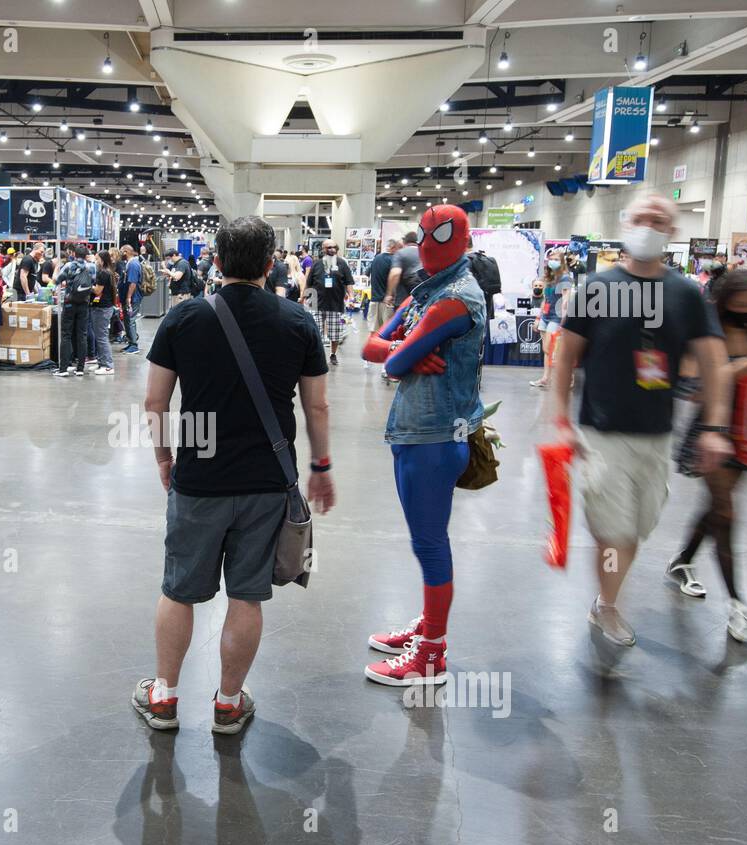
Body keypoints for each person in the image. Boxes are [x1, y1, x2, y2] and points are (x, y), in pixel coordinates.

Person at [135, 215, 335, 734]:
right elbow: (317, 408)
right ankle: (227, 704)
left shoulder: (184, 319)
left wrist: (164, 457)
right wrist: (320, 466)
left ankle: (164, 698)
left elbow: (156, 401)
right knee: (247, 594)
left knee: (179, 590)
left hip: (199, 476)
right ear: (271, 264)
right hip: (268, 479)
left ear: (216, 261)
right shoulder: (297, 323)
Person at [550, 193, 731, 648]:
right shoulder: (597, 287)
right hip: (601, 433)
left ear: (671, 232)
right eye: (641, 218)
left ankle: (606, 597)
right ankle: (607, 605)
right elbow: (566, 356)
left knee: (638, 528)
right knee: (614, 532)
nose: (649, 225)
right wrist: (559, 416)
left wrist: (715, 427)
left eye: (660, 220)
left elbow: (714, 362)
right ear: (626, 223)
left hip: (657, 434)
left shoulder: (687, 294)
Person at [360, 205, 485, 687]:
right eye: (425, 235)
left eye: (437, 235)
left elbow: (387, 362)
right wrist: (403, 353)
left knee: (430, 543)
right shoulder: (430, 292)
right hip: (421, 430)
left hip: (433, 436)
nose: (427, 245)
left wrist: (397, 355)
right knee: (427, 541)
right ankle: (428, 627)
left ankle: (431, 653)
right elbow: (374, 347)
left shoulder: (452, 299)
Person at [667, 270, 747, 644]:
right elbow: (693, 390)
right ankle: (737, 603)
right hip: (711, 433)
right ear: (725, 302)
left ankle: (682, 561)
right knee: (726, 514)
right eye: (741, 304)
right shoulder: (706, 332)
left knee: (716, 509)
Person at [306, 238, 354, 366]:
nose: (332, 249)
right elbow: (309, 283)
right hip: (316, 303)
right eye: (329, 247)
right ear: (323, 249)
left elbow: (349, 281)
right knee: (316, 332)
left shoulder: (342, 264)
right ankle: (318, 355)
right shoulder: (316, 264)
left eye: (334, 247)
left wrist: (352, 297)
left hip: (335, 303)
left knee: (335, 333)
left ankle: (333, 354)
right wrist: (303, 298)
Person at [530, 252, 574, 388]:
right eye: (551, 259)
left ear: (562, 262)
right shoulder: (548, 278)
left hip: (557, 316)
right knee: (547, 350)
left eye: (556, 259)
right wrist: (538, 317)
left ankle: (568, 377)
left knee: (553, 349)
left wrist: (564, 318)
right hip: (546, 315)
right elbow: (545, 299)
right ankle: (545, 378)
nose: (553, 261)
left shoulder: (565, 278)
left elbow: (566, 299)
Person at [54, 243, 96, 377]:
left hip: (69, 303)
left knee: (66, 335)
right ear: (86, 255)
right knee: (82, 335)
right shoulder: (92, 267)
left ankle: (63, 369)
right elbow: (93, 283)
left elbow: (57, 280)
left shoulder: (68, 266)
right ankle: (80, 369)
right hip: (84, 303)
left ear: (74, 254)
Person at [89, 249, 117, 375]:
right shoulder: (108, 272)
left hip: (102, 308)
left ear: (102, 260)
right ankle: (101, 363)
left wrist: (87, 285)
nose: (96, 261)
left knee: (101, 337)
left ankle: (108, 365)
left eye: (97, 259)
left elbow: (97, 291)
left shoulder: (103, 273)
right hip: (104, 307)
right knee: (100, 336)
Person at [386, 231, 422, 313]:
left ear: (405, 242)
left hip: (403, 302)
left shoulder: (400, 254)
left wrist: (389, 294)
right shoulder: (425, 253)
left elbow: (395, 273)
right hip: (422, 302)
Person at [367, 239, 397, 330]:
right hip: (387, 302)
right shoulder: (393, 260)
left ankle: (371, 345)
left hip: (374, 299)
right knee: (387, 330)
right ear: (393, 248)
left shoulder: (376, 258)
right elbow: (395, 278)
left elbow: (368, 274)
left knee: (373, 330)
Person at [121, 244, 143, 353]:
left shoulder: (133, 264)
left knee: (131, 320)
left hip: (133, 298)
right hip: (131, 297)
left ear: (126, 252)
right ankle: (130, 343)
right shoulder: (130, 263)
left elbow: (133, 283)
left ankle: (134, 345)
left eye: (121, 251)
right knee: (127, 320)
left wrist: (129, 297)